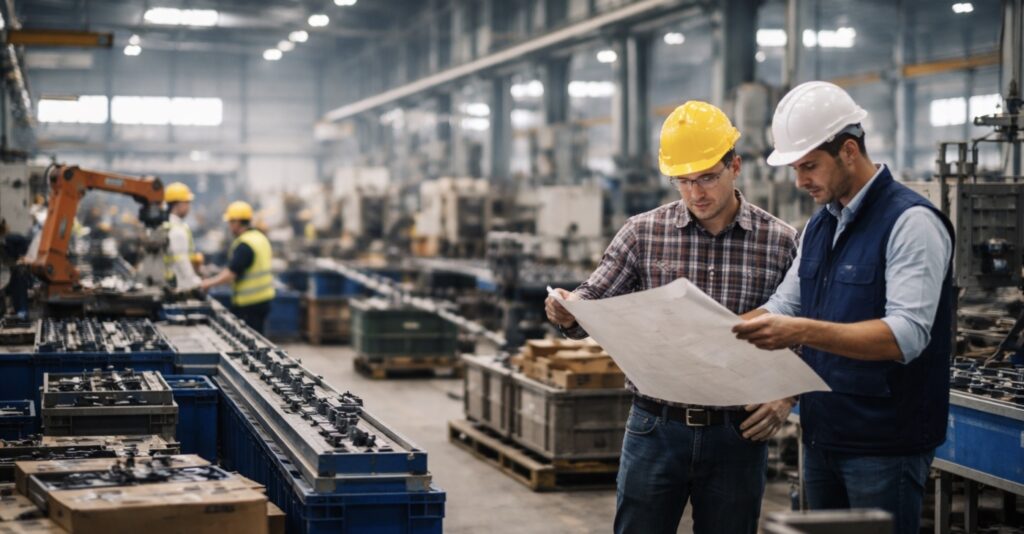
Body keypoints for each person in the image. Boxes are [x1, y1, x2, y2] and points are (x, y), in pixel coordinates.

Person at [544, 101, 798, 534]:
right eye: (683, 181)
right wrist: (567, 310)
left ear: (734, 166)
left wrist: (785, 396)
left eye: (707, 178)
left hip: (736, 434)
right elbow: (592, 300)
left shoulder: (779, 242)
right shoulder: (644, 233)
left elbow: (803, 329)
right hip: (655, 428)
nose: (696, 193)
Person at [732, 81, 954, 534]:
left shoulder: (911, 223)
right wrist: (710, 328)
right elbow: (784, 304)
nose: (800, 181)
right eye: (795, 168)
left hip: (884, 444)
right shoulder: (819, 226)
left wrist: (801, 332)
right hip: (822, 435)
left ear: (849, 150)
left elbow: (905, 336)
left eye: (809, 166)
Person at [201, 201, 275, 334]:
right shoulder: (259, 238)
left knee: (251, 342)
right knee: (258, 339)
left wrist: (208, 284)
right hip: (264, 299)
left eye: (230, 222)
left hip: (249, 303)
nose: (229, 226)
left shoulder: (245, 244)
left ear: (237, 222)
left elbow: (232, 273)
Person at [163, 182, 202, 292]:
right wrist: (194, 283)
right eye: (187, 202)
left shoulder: (166, 224)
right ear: (177, 204)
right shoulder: (177, 229)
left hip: (169, 284)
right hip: (179, 285)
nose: (189, 206)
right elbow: (182, 261)